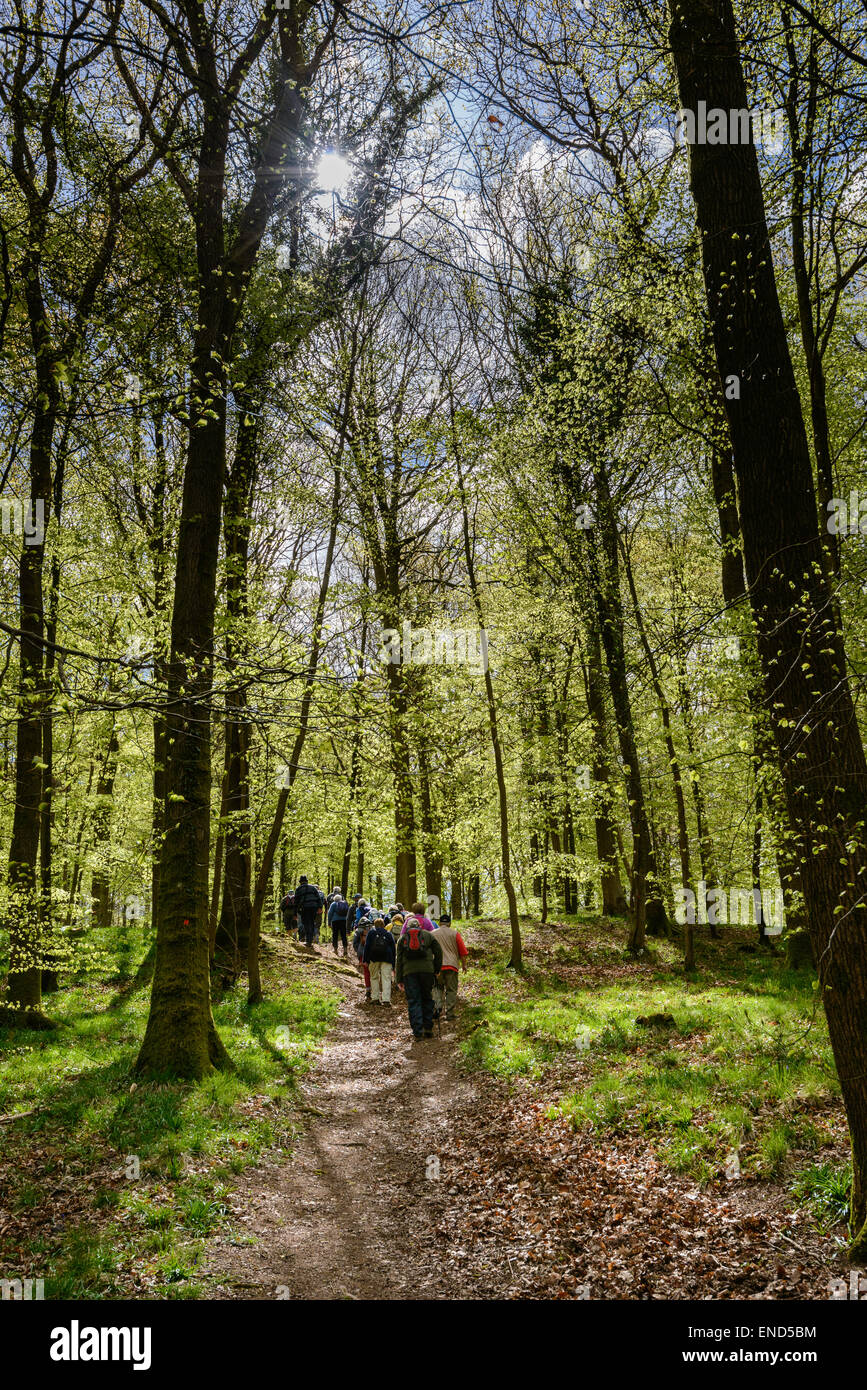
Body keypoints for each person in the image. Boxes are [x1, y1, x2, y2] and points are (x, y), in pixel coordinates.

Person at [395, 913, 442, 1040]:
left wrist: (399, 979)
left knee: (414, 1001)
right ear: (420, 926)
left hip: (409, 973)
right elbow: (438, 951)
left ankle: (418, 1031)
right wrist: (436, 969)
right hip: (427, 972)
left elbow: (398, 960)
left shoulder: (402, 939)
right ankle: (428, 1028)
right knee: (427, 998)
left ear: (407, 927)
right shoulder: (428, 935)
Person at [431, 913, 468, 1022]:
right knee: (451, 990)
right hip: (452, 965)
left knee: (437, 988)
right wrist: (464, 965)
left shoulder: (432, 934)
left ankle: (437, 1009)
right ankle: (450, 1014)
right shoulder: (455, 934)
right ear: (450, 923)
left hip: (437, 966)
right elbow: (463, 951)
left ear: (439, 923)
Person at [363, 916, 396, 1005]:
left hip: (373, 957)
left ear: (375, 925)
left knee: (374, 977)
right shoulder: (388, 934)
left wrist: (365, 960)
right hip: (387, 958)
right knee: (386, 978)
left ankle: (375, 998)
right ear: (383, 925)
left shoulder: (371, 933)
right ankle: (386, 1000)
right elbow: (393, 949)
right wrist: (393, 963)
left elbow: (367, 946)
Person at [295, 875, 325, 950]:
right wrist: (320, 907)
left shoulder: (298, 889)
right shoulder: (313, 888)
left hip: (305, 908)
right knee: (311, 923)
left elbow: (296, 902)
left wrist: (296, 912)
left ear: (300, 882)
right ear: (307, 881)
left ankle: (308, 941)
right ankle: (310, 941)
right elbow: (318, 898)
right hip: (314, 908)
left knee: (306, 923)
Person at [353, 918, 372, 1000]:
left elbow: (354, 943)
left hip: (363, 954)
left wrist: (358, 950)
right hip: (372, 953)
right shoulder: (372, 929)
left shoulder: (358, 930)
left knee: (366, 972)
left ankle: (368, 990)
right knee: (374, 972)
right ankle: (376, 990)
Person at [328, 892, 351, 957]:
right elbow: (348, 913)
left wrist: (329, 922)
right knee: (343, 935)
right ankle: (345, 950)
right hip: (344, 921)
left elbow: (330, 913)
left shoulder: (333, 904)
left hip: (335, 921)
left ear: (334, 899)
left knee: (335, 935)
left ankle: (335, 949)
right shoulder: (345, 903)